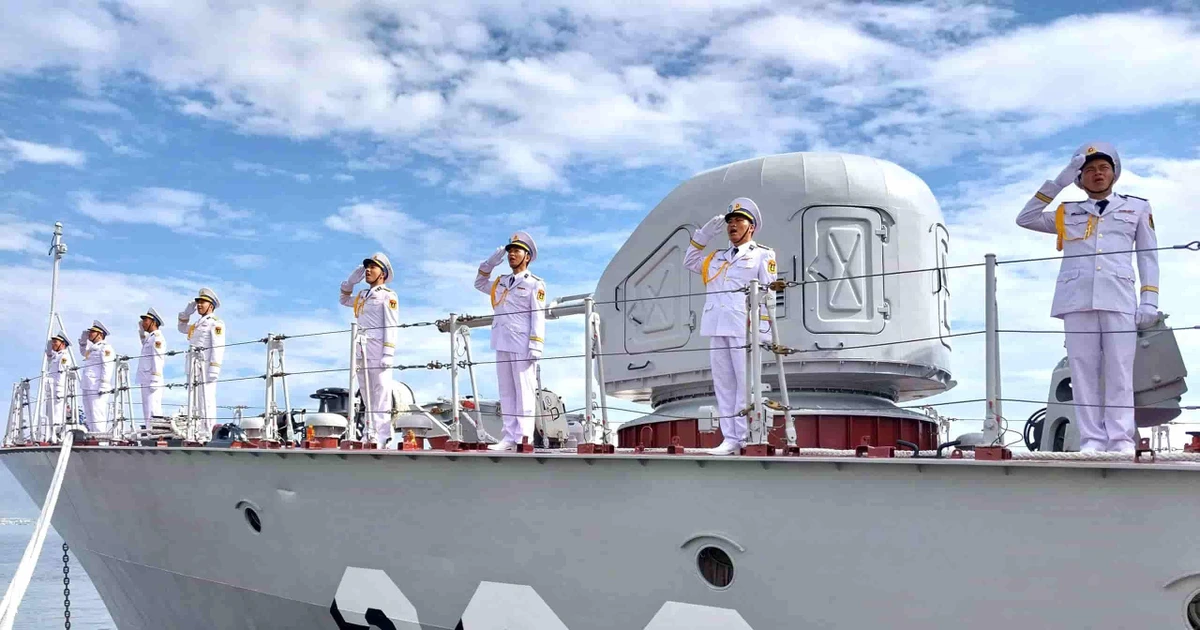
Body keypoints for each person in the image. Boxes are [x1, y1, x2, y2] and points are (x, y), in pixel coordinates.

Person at [1016, 142, 1159, 453]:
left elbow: (1148, 256)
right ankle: (1092, 438)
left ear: (1114, 173)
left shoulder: (1137, 208)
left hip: (1119, 297)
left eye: (1103, 168)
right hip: (1076, 299)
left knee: (1120, 369)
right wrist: (1060, 180)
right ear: (1080, 178)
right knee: (1083, 370)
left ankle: (1120, 438)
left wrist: (1149, 299)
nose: (1098, 174)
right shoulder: (1068, 212)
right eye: (1090, 169)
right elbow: (1025, 218)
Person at [684, 198, 777, 456]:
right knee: (724, 384)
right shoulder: (716, 257)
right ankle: (730, 439)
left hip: (744, 329)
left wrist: (764, 332)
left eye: (739, 221)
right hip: (716, 326)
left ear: (752, 227)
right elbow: (689, 261)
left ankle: (747, 435)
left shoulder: (762, 255)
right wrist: (702, 237)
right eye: (730, 222)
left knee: (745, 383)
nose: (732, 226)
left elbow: (767, 295)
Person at [475, 232, 546, 451]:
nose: (512, 254)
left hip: (523, 343)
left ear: (527, 257)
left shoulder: (535, 284)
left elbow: (538, 314)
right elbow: (479, 283)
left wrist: (536, 344)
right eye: (510, 251)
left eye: (517, 251)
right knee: (506, 391)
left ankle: (524, 437)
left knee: (524, 391)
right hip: (502, 340)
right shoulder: (502, 281)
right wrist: (490, 263)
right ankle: (508, 436)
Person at [340, 253, 399, 448]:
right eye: (366, 267)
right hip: (361, 350)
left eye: (372, 267)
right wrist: (351, 279)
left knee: (381, 392)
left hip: (378, 349)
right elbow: (343, 298)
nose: (367, 270)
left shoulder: (388, 296)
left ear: (382, 273)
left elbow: (391, 325)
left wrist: (388, 353)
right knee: (366, 394)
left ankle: (383, 435)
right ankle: (369, 432)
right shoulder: (362, 296)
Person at [178, 288, 226, 441]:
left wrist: (214, 367)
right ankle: (197, 430)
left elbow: (218, 346)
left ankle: (207, 432)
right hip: (193, 367)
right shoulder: (197, 324)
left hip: (206, 366)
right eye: (197, 302)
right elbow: (181, 328)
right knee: (195, 400)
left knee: (207, 399)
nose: (199, 305)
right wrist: (187, 312)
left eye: (202, 302)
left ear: (211, 305)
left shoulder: (215, 323)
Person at [78, 321, 115, 434]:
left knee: (97, 414)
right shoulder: (93, 348)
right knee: (89, 415)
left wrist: (104, 384)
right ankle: (92, 437)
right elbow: (83, 352)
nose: (90, 334)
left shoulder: (105, 348)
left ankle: (101, 440)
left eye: (92, 332)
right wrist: (83, 340)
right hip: (88, 385)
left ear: (100, 334)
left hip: (97, 386)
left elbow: (107, 366)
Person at [136, 308, 167, 431]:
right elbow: (143, 339)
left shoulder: (157, 338)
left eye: (146, 320)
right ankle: (151, 433)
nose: (143, 323)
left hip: (152, 378)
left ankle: (156, 434)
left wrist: (156, 377)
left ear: (153, 322)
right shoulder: (150, 337)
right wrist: (141, 327)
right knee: (147, 410)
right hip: (146, 378)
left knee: (153, 409)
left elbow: (158, 358)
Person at [41, 333, 71, 431]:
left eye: (55, 342)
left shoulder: (64, 356)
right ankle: (51, 434)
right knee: (50, 414)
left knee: (57, 414)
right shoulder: (56, 356)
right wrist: (49, 345)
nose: (53, 344)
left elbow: (61, 374)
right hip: (52, 389)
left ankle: (57, 434)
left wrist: (58, 389)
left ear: (62, 344)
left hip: (58, 389)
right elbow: (49, 354)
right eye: (52, 342)